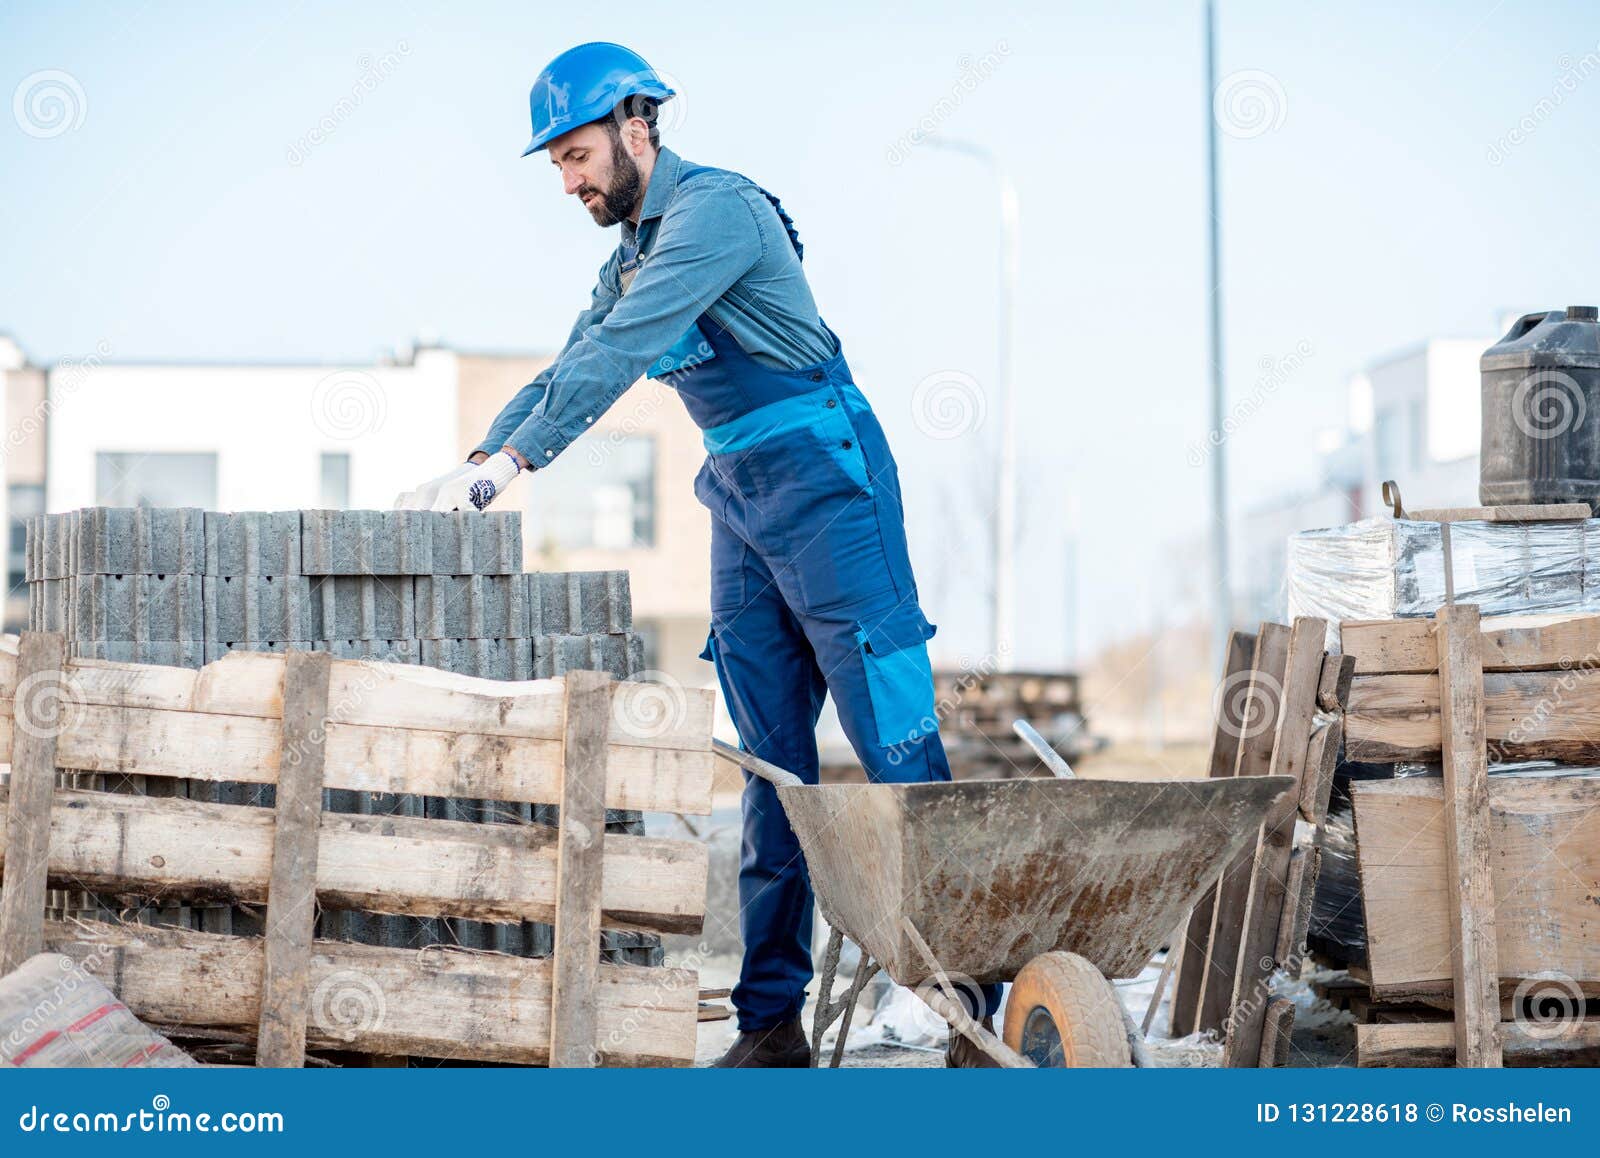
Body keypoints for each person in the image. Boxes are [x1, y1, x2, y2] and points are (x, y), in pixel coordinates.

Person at [396, 42, 1001, 1066]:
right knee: (771, 769)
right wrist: (480, 462)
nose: (569, 179)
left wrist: (520, 465)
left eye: (578, 154)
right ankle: (770, 1024)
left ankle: (968, 1001)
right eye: (554, 165)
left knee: (894, 747)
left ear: (639, 125)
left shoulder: (717, 214)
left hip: (826, 480)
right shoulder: (628, 258)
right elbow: (570, 361)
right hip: (743, 500)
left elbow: (620, 353)